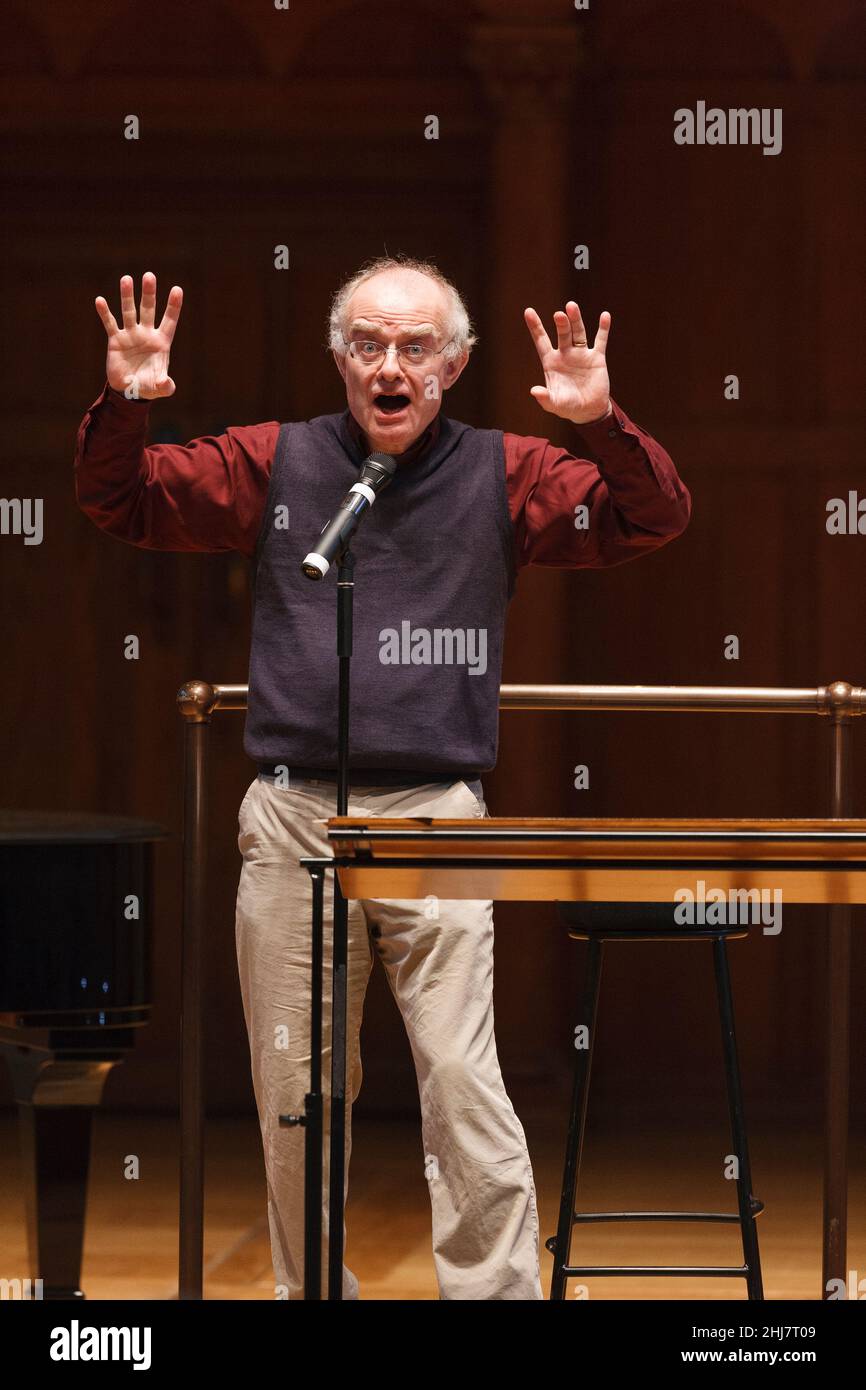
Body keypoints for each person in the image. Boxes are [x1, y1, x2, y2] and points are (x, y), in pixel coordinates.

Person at [74, 255, 692, 1300]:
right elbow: (124, 500)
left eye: (413, 345)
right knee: (296, 1086)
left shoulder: (507, 471)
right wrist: (128, 400)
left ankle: (492, 1296)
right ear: (339, 360)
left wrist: (598, 420)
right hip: (292, 810)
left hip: (435, 817)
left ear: (450, 364)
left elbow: (652, 515)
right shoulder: (279, 461)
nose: (388, 364)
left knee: (458, 1076)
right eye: (366, 343)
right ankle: (312, 1293)